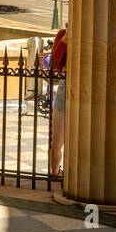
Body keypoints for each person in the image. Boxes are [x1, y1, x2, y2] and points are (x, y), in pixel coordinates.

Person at [49, 26, 68, 179]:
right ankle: (55, 173)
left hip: (89, 86)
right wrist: (65, 40)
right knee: (56, 144)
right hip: (65, 86)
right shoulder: (62, 34)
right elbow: (55, 63)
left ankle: (75, 177)